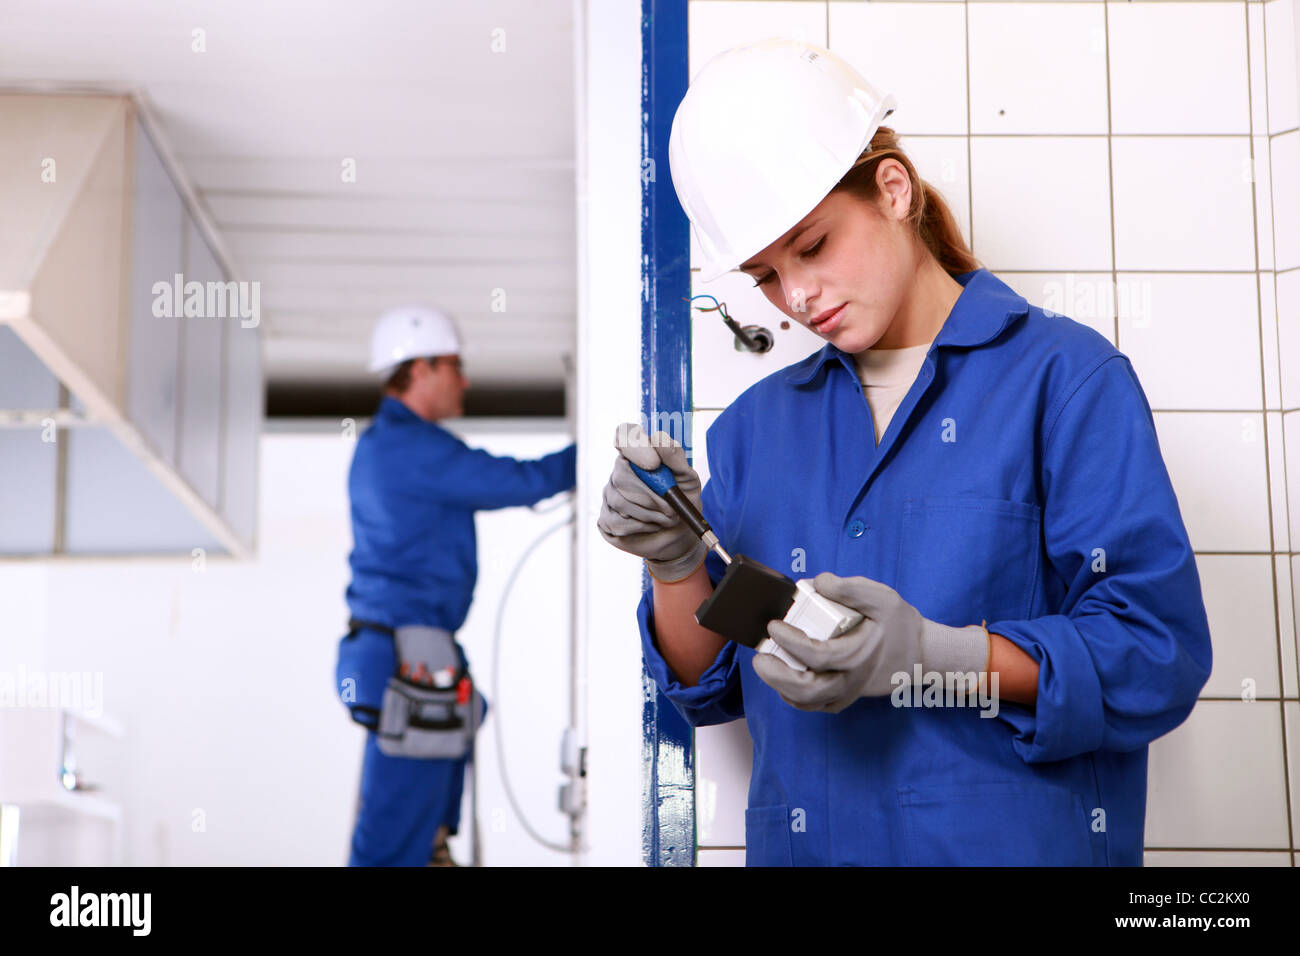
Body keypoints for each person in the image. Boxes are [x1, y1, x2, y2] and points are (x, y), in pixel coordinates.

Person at [598, 39, 1212, 866]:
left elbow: (1155, 654)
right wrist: (673, 562)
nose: (798, 298)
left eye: (811, 247)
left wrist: (937, 657)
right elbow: (712, 690)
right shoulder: (753, 429)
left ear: (894, 191)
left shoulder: (1065, 380)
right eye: (766, 277)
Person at [337, 305, 577, 867]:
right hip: (409, 656)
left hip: (399, 654)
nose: (463, 380)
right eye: (454, 366)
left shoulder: (386, 446)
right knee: (396, 849)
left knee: (419, 840)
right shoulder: (410, 447)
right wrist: (607, 446)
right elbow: (525, 481)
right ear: (419, 369)